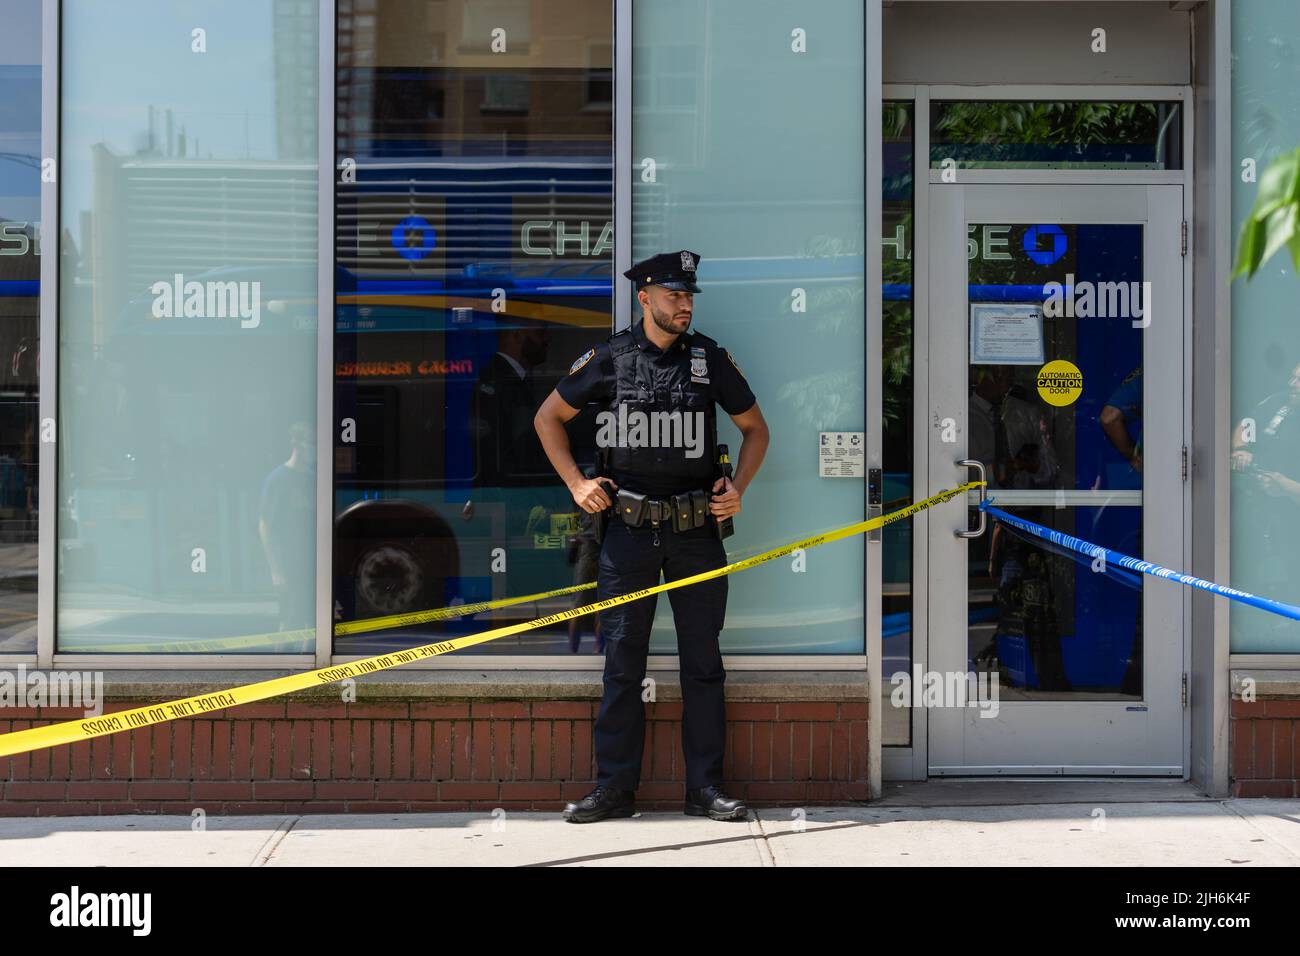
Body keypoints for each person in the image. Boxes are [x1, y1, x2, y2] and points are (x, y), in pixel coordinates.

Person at [534, 249, 769, 823]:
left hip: (696, 531)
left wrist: (738, 487)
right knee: (621, 662)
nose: (684, 304)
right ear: (645, 297)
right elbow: (547, 419)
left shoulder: (708, 359)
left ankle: (705, 789)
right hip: (628, 534)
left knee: (703, 663)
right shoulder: (609, 357)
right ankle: (614, 788)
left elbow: (756, 431)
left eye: (688, 296)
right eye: (673, 295)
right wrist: (575, 483)